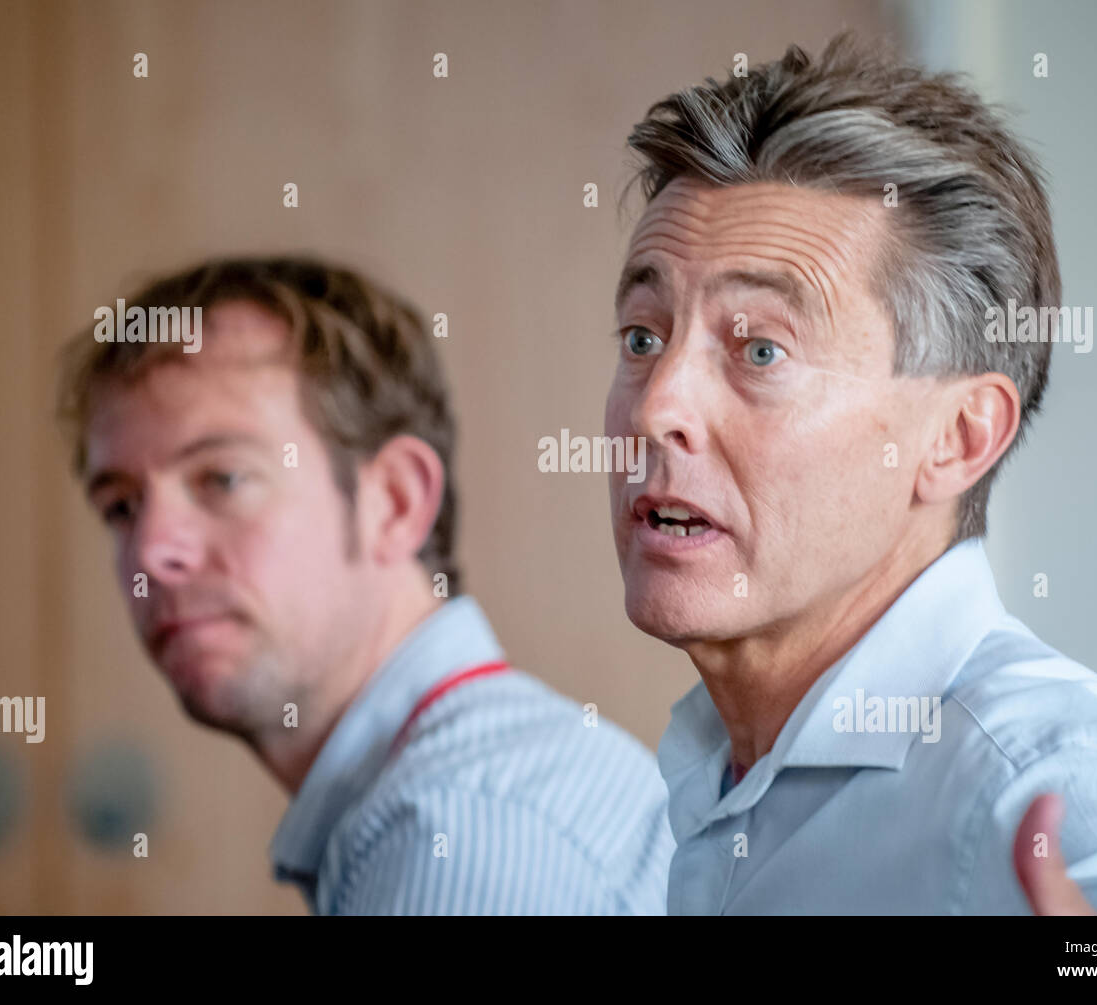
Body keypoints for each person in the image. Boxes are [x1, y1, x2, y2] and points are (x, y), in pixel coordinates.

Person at [603, 34, 1097, 914]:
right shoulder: (715, 758)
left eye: (760, 348)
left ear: (956, 437)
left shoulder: (1048, 768)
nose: (655, 407)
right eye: (644, 336)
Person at [57, 255, 673, 914]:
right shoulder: (474, 792)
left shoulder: (460, 836)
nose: (149, 551)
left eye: (222, 478)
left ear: (395, 502)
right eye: (121, 505)